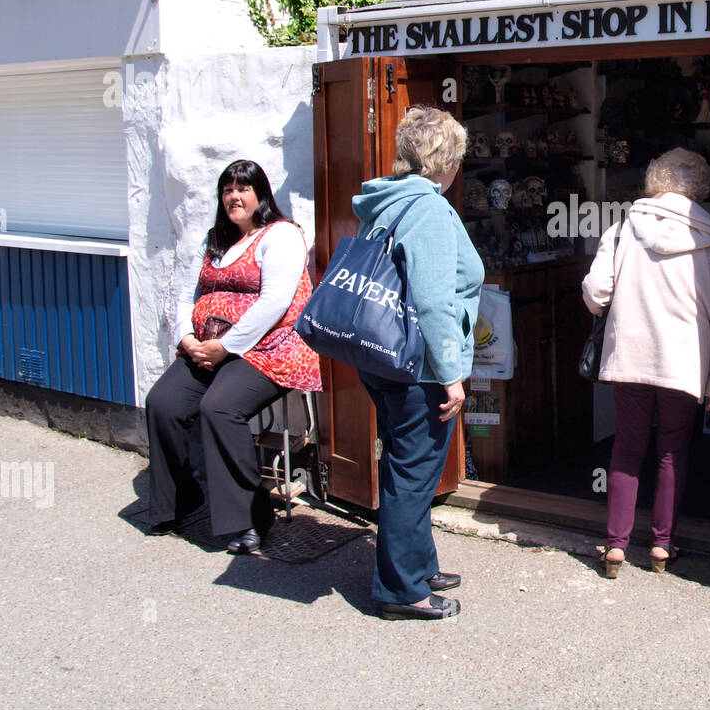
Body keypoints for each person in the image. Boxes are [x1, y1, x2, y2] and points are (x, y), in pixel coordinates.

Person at [144, 160, 321, 554]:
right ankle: (178, 500)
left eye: (243, 188)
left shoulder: (281, 235)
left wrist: (227, 346)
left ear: (261, 194)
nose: (233, 197)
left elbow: (274, 302)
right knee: (163, 403)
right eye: (227, 189)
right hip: (207, 347)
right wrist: (187, 338)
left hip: (268, 349)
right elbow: (182, 292)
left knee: (219, 408)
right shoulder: (215, 239)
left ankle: (253, 517)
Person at [353, 106, 484, 620]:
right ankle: (401, 591)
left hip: (385, 356)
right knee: (413, 474)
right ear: (446, 161)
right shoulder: (428, 208)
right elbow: (433, 302)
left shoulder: (388, 198)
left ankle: (416, 562)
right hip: (420, 368)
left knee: (406, 467)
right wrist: (451, 375)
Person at [582, 147, 710, 577]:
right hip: (682, 365)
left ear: (654, 180)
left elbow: (596, 292)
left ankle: (615, 547)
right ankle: (661, 547)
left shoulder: (622, 229)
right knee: (672, 451)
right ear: (699, 187)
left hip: (629, 357)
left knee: (627, 448)